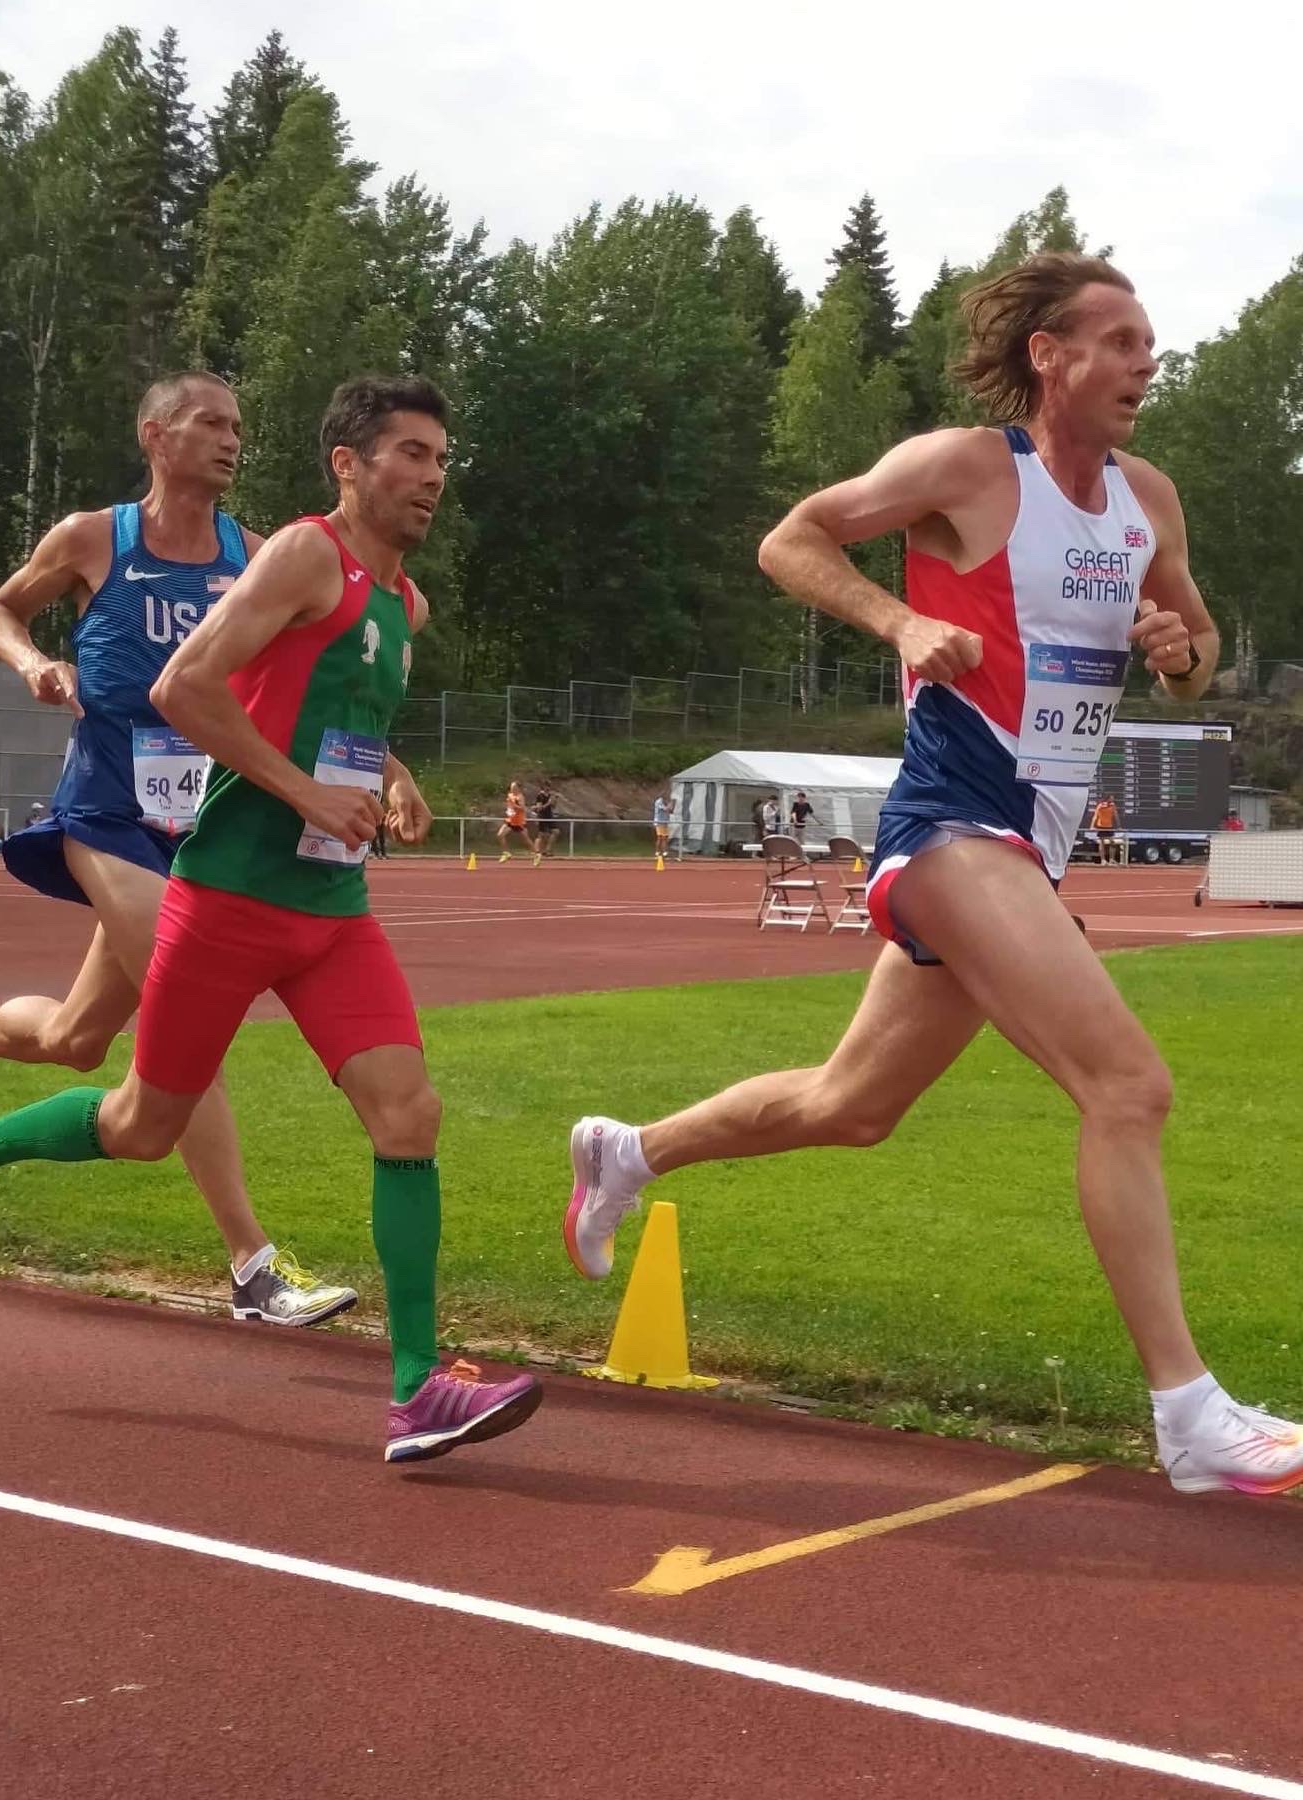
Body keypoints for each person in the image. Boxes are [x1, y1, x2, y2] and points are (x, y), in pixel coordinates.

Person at [563, 252, 1303, 1499]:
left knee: (853, 1105)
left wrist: (1178, 653)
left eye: (1149, 340)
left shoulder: (1149, 499)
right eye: (1118, 340)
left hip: (1032, 839)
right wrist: (901, 623)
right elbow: (790, 540)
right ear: (1048, 356)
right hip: (954, 825)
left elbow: (1196, 647)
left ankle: (628, 1153)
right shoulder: (963, 468)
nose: (1145, 361)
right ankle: (1188, 1414)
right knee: (1128, 1085)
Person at [0, 374, 542, 1464]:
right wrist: (303, 793)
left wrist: (390, 773)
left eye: (442, 458)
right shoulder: (297, 554)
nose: (434, 476)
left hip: (331, 909)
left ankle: (419, 1387)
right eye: (413, 455)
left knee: (409, 1116)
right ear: (350, 464)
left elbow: (316, 705)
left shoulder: (397, 599)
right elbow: (184, 689)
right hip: (228, 893)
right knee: (144, 1124)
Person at [0, 371, 354, 1328]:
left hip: (199, 828)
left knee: (76, 1039)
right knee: (190, 1015)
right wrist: (35, 663)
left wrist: (378, 763)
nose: (232, 440)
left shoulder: (255, 555)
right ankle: (252, 1267)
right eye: (211, 423)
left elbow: (313, 671)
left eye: (239, 426)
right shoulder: (95, 537)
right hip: (105, 810)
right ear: (156, 434)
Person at [497, 781, 534, 861]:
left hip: (518, 821)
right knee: (500, 835)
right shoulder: (510, 795)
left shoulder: (520, 797)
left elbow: (522, 808)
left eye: (514, 787)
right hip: (510, 820)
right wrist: (509, 809)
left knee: (526, 840)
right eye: (511, 787)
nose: (512, 789)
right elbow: (510, 806)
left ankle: (536, 854)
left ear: (518, 788)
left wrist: (514, 806)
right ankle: (506, 853)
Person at [532, 782, 560, 864]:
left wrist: (555, 800)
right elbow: (539, 808)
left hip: (549, 816)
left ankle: (547, 849)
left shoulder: (550, 795)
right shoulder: (540, 796)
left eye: (549, 786)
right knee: (541, 835)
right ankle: (536, 851)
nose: (548, 788)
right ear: (543, 787)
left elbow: (553, 806)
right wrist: (548, 803)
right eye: (547, 786)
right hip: (542, 816)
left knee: (556, 831)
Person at [1090, 792, 1121, 864]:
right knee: (1102, 843)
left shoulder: (1113, 805)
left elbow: (1116, 816)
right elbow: (1095, 816)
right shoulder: (1100, 805)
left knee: (1112, 843)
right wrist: (1092, 826)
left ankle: (1111, 859)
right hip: (1101, 826)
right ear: (1108, 798)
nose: (1113, 799)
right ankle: (1103, 860)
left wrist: (1119, 826)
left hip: (1109, 827)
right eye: (1111, 797)